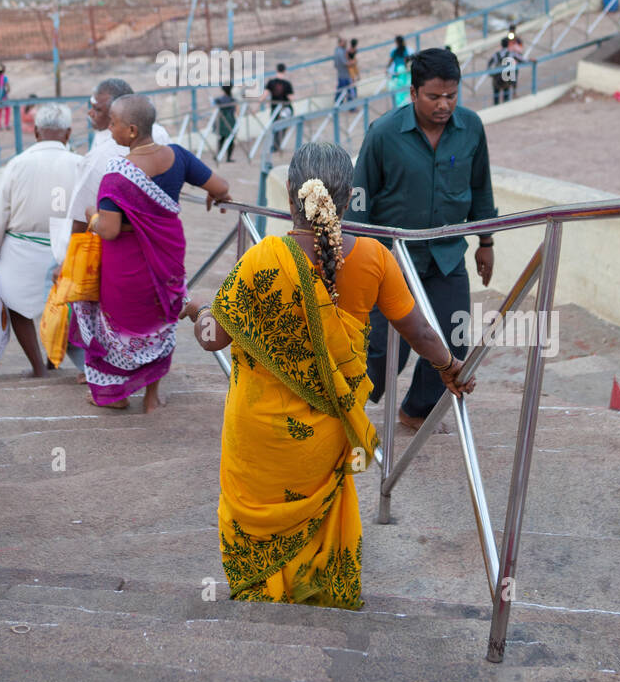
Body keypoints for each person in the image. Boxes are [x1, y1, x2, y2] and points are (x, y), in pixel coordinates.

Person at [183, 142, 473, 608]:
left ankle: (264, 594)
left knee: (256, 520)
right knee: (318, 520)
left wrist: (198, 309)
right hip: (324, 434)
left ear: (291, 193)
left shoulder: (263, 259)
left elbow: (214, 336)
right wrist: (449, 367)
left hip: (259, 434)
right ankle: (313, 594)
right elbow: (418, 329)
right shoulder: (375, 257)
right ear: (350, 197)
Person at [353, 47, 497, 431]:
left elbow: (481, 187)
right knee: (384, 349)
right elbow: (359, 197)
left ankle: (417, 409)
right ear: (413, 92)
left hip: (447, 257)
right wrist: (352, 257)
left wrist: (486, 242)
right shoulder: (383, 134)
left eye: (452, 95)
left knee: (454, 337)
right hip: (390, 260)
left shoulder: (471, 128)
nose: (444, 104)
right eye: (434, 96)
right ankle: (351, 404)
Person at [75, 94, 230, 412]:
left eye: (114, 124)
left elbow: (110, 229)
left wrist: (92, 214)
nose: (111, 129)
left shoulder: (117, 173)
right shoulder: (179, 157)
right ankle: (151, 397)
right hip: (166, 262)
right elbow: (221, 186)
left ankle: (114, 395)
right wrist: (217, 196)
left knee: (118, 329)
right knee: (160, 323)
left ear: (131, 130)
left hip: (126, 269)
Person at [0, 103, 81, 378]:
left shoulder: (18, 164)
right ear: (68, 133)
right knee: (65, 307)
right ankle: (53, 360)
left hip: (20, 247)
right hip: (66, 248)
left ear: (35, 132)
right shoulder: (79, 163)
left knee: (17, 305)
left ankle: (38, 366)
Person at [68, 78, 170, 236]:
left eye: (98, 109)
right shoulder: (159, 133)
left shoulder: (98, 158)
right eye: (91, 106)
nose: (90, 113)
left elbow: (81, 220)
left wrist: (70, 256)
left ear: (118, 115)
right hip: (161, 231)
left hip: (119, 241)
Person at [264, 62, 294, 153]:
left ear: (276, 70)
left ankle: (275, 145)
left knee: (275, 127)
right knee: (283, 127)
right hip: (285, 108)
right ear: (284, 71)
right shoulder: (287, 84)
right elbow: (291, 98)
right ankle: (278, 144)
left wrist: (257, 106)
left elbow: (264, 96)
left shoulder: (271, 82)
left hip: (274, 108)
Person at [487, 36, 514, 105]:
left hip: (497, 77)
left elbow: (489, 63)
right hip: (506, 76)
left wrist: (490, 72)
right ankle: (506, 105)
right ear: (508, 44)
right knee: (506, 93)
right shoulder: (510, 53)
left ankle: (496, 106)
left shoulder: (496, 54)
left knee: (496, 94)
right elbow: (521, 59)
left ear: (501, 44)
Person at [214, 84, 237, 161]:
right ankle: (228, 157)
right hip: (231, 121)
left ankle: (218, 155)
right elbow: (237, 111)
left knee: (221, 139)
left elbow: (214, 110)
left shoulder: (218, 100)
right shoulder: (233, 100)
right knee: (231, 140)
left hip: (222, 121)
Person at [333, 36, 351, 105]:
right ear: (340, 43)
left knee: (340, 91)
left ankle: (338, 103)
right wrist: (353, 62)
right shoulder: (340, 52)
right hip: (345, 75)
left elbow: (335, 64)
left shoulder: (337, 51)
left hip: (341, 74)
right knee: (349, 91)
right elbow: (345, 63)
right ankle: (351, 107)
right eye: (344, 42)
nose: (345, 44)